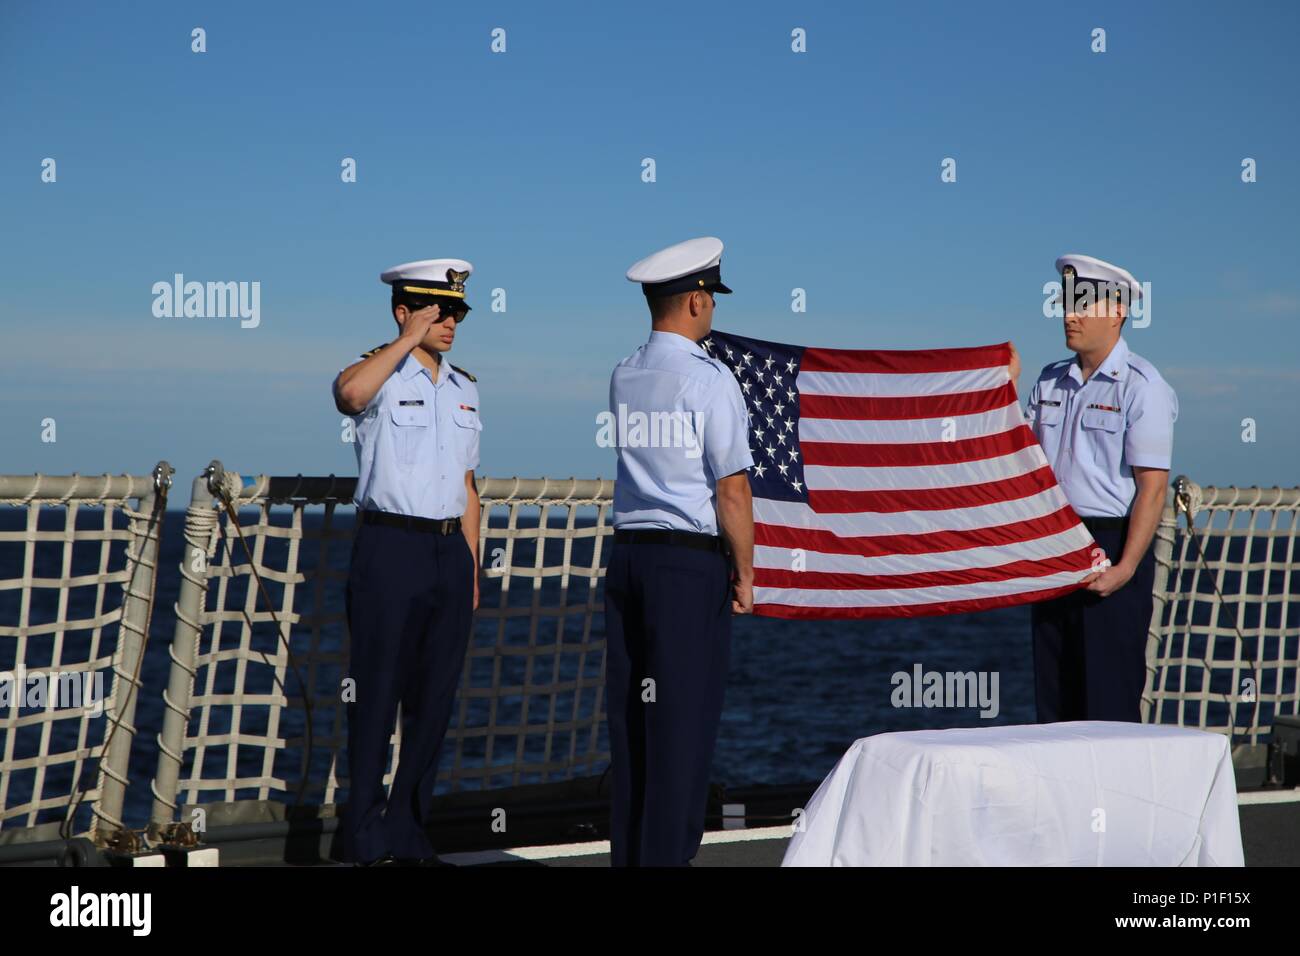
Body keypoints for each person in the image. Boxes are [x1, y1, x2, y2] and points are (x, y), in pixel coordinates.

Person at [604, 236, 756, 866]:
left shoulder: (624, 373)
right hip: (687, 567)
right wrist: (745, 574)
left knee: (633, 727)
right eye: (711, 299)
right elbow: (733, 490)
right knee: (682, 729)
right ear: (696, 300)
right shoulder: (710, 379)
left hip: (628, 560)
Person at [331, 258, 483, 865]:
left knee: (434, 700)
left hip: (449, 549)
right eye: (439, 310)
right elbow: (348, 395)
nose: (451, 321)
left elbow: (469, 486)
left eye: (458, 312)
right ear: (405, 311)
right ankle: (364, 839)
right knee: (376, 698)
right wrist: (405, 342)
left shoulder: (465, 388)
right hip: (390, 547)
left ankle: (409, 833)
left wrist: (471, 566)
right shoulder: (380, 375)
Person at [1025, 253, 1177, 722]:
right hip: (1054, 546)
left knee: (1107, 702)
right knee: (1054, 700)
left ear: (1116, 312)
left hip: (1111, 543)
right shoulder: (1049, 381)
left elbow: (1152, 490)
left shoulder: (1141, 387)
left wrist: (1126, 567)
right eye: (1067, 302)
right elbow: (1020, 460)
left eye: (1082, 304)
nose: (1069, 314)